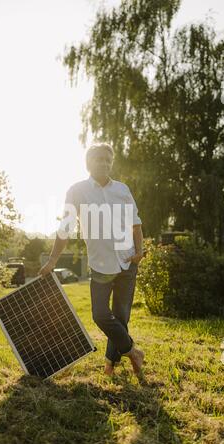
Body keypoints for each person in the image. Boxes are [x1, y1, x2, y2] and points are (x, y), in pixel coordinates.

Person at [38, 143, 145, 378]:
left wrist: (140, 250)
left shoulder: (122, 190)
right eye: (99, 159)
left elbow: (135, 224)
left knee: (121, 316)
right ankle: (133, 352)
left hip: (127, 262)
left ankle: (110, 364)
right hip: (100, 265)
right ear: (88, 163)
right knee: (100, 314)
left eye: (108, 160)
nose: (104, 164)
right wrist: (53, 260)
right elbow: (65, 228)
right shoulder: (77, 191)